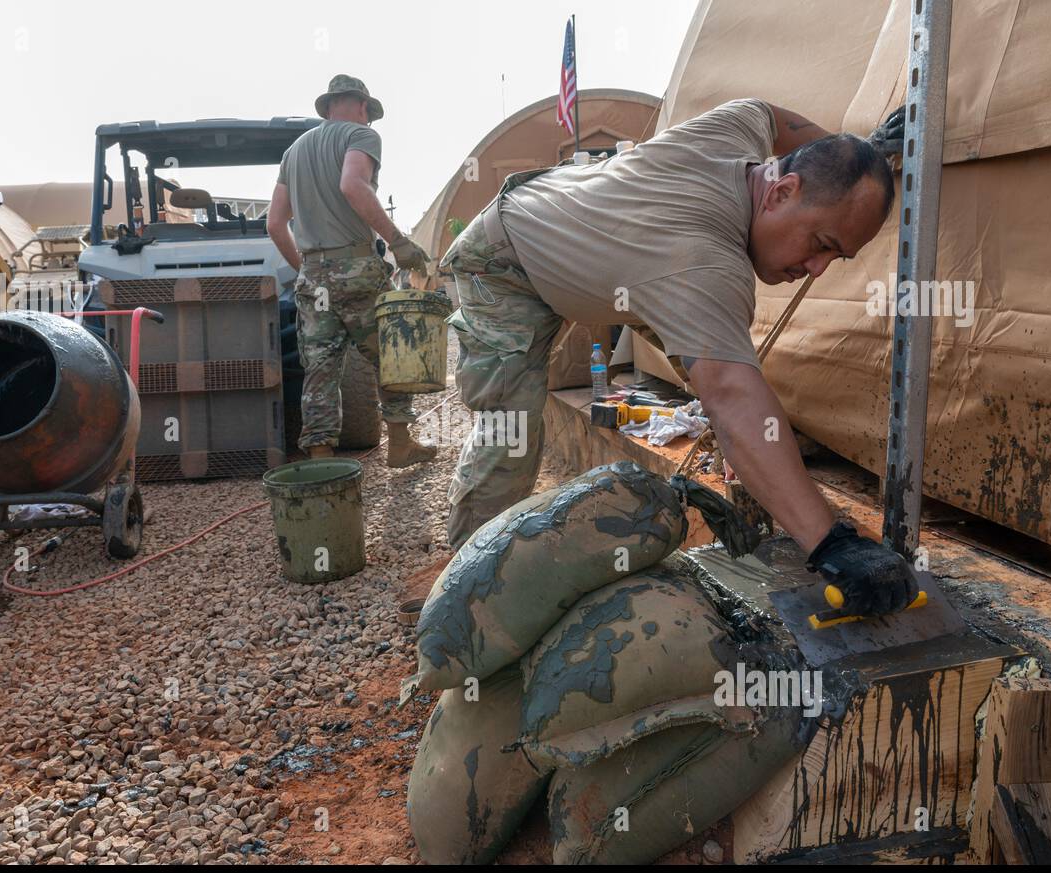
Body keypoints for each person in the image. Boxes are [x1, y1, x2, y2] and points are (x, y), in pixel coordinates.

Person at [441, 99, 917, 617]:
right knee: (510, 428)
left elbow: (770, 115)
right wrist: (833, 544)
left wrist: (861, 150)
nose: (818, 269)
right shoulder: (703, 262)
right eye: (821, 243)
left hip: (605, 239)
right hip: (509, 254)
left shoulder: (735, 134)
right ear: (781, 192)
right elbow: (733, 398)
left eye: (836, 256)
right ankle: (467, 595)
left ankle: (761, 501)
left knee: (726, 367)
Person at [267, 74, 436, 466]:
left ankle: (322, 459)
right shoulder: (361, 137)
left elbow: (275, 224)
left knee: (321, 369)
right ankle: (399, 444)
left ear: (327, 106)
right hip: (357, 267)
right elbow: (352, 185)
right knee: (392, 355)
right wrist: (397, 241)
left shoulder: (293, 152)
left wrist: (308, 270)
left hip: (313, 277)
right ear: (362, 106)